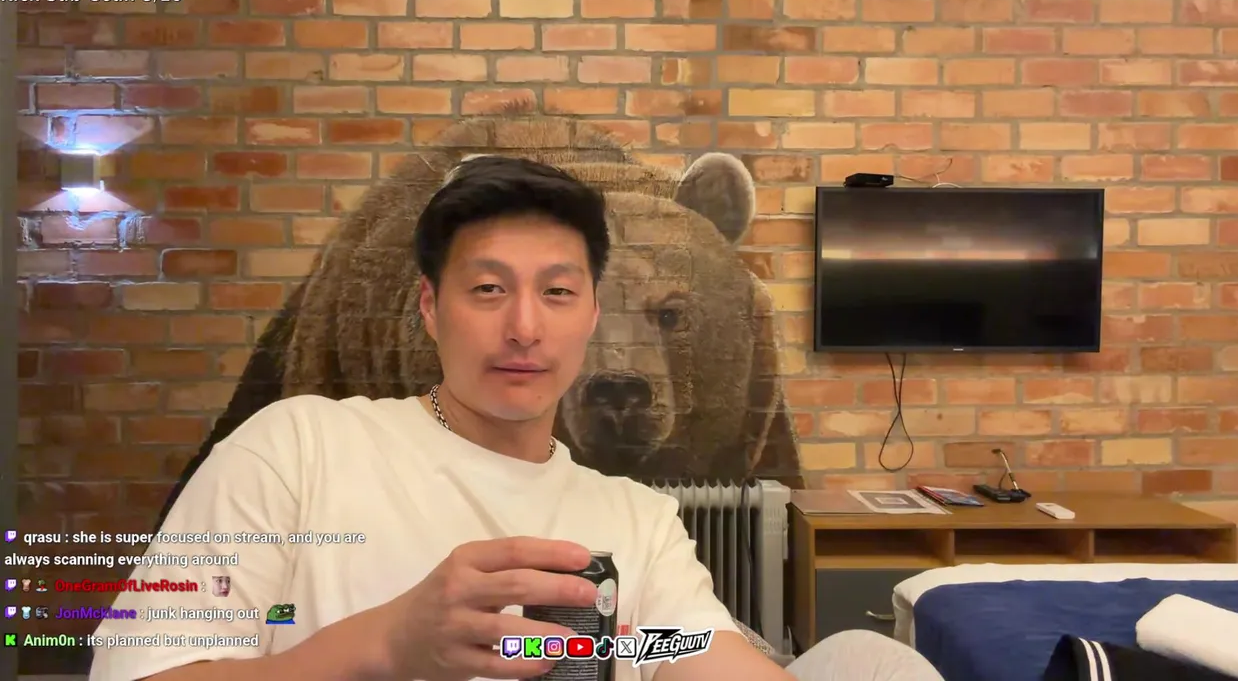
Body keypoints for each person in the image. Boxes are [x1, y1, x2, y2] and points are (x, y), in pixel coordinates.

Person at [88, 156, 941, 681]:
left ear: (592, 313)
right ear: (430, 308)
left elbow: (685, 654)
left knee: (871, 660)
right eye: (489, 288)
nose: (525, 327)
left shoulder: (635, 521)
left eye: (558, 292)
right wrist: (385, 645)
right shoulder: (296, 448)